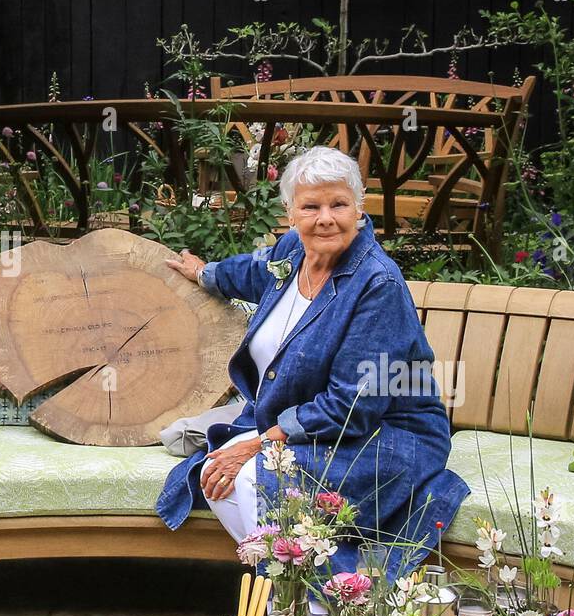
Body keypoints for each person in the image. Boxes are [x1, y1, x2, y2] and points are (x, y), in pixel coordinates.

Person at [157, 145, 469, 577]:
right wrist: (204, 274)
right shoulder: (292, 253)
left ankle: (322, 598)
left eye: (339, 204)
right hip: (315, 429)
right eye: (311, 206)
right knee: (216, 472)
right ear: (290, 213)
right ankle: (303, 593)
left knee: (253, 476)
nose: (326, 217)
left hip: (384, 436)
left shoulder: (377, 284)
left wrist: (261, 441)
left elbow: (355, 404)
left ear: (358, 209)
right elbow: (252, 271)